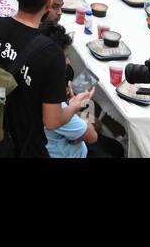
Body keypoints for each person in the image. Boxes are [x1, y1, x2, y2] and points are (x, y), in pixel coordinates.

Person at [0, 0, 93, 158]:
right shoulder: (51, 53)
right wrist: (74, 105)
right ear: (49, 3)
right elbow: (52, 120)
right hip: (21, 145)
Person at [40, 23, 125, 159]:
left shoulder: (31, 83)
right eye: (65, 55)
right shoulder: (55, 108)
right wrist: (78, 107)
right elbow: (92, 136)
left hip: (55, 142)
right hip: (72, 151)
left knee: (114, 146)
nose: (67, 61)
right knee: (112, 147)